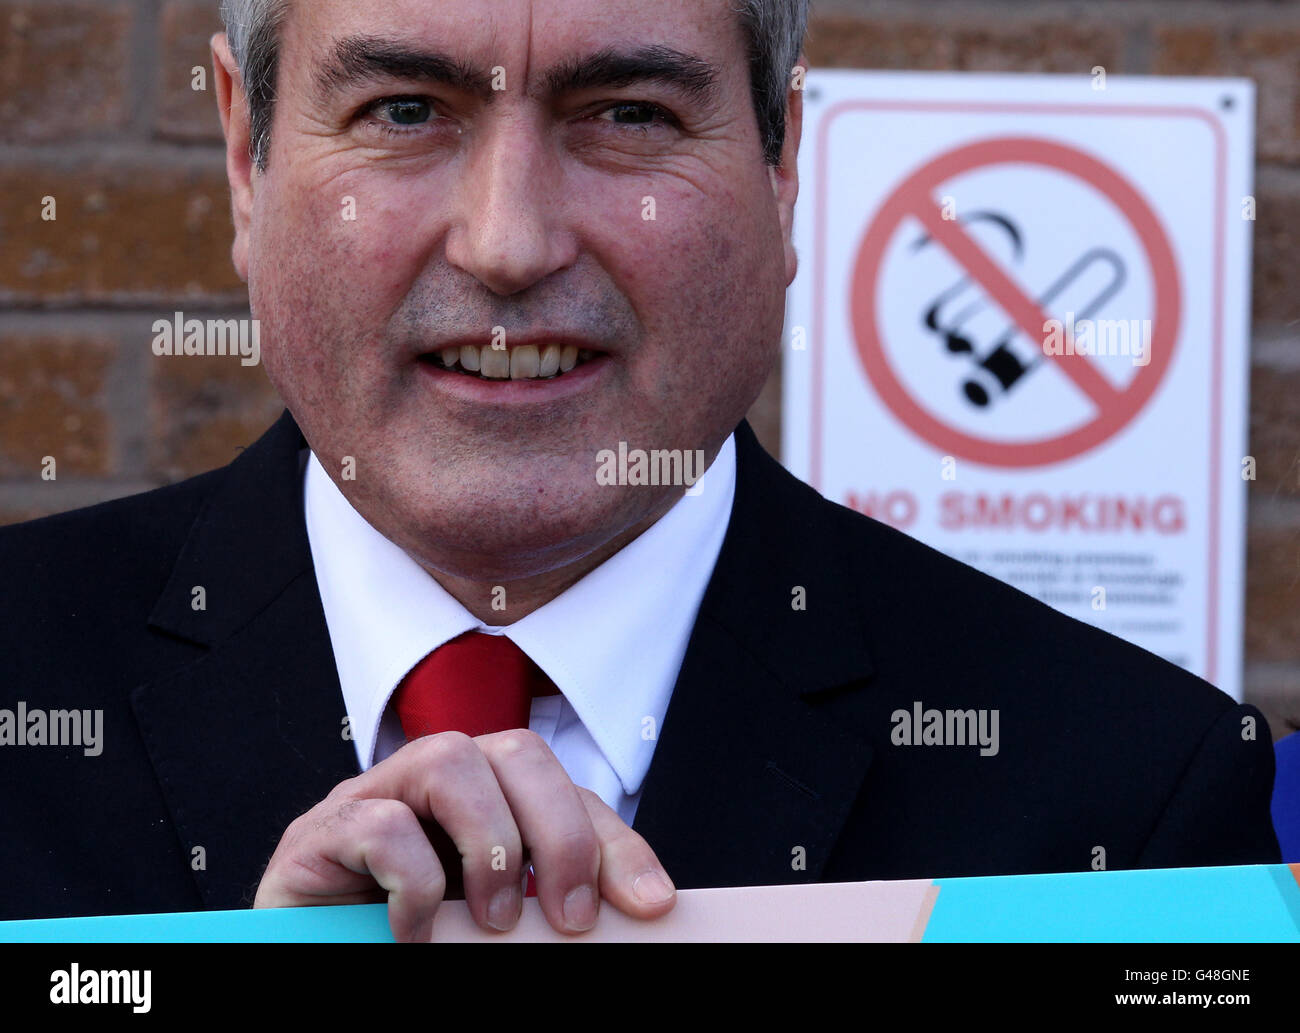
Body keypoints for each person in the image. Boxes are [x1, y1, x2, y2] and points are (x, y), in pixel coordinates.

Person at [0, 0, 1280, 942]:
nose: (509, 242)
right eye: (405, 110)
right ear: (245, 154)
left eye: (626, 114)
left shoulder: (1126, 799)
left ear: (783, 166)